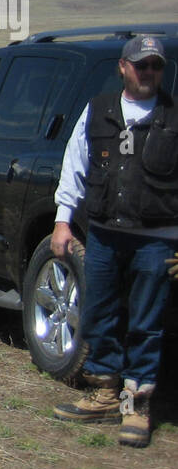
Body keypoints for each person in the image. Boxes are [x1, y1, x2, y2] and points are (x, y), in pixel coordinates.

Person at [51, 34, 177, 447]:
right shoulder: (99, 111)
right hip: (104, 234)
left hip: (157, 241)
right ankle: (106, 392)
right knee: (98, 313)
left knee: (147, 323)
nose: (149, 72)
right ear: (123, 67)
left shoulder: (174, 117)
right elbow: (75, 165)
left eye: (155, 65)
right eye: (141, 65)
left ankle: (137, 407)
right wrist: (63, 222)